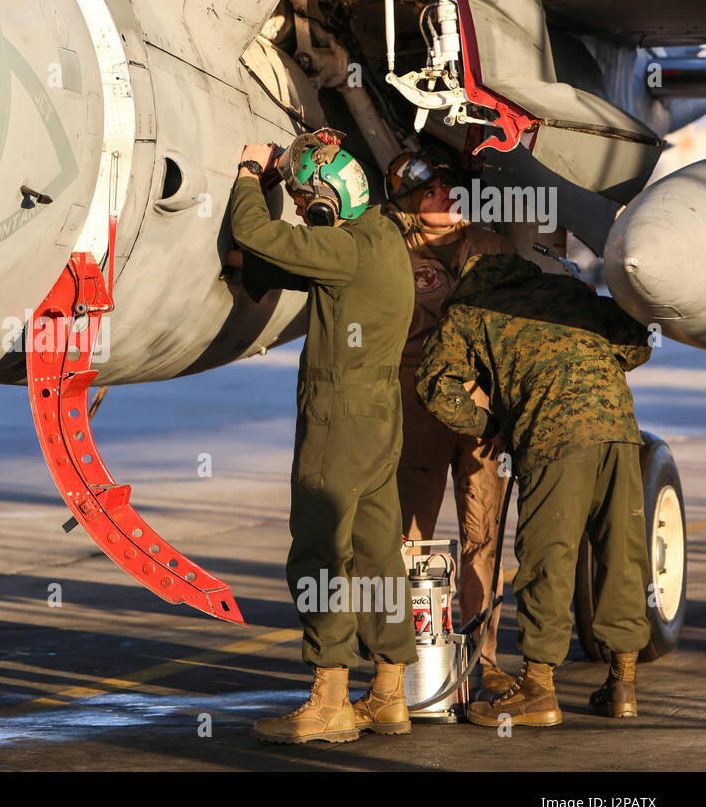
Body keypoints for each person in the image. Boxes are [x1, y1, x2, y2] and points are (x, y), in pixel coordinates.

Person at [228, 129, 417, 744]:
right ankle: (389, 694)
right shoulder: (383, 237)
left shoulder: (342, 249)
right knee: (377, 551)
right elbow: (312, 270)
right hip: (380, 413)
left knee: (319, 551)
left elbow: (257, 233)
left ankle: (329, 698)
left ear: (322, 203)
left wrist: (248, 177)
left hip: (338, 413)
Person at [415, 253, 652, 726]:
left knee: (549, 557)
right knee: (622, 553)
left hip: (554, 436)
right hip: (620, 430)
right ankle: (623, 683)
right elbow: (635, 343)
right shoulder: (568, 294)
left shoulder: (468, 311)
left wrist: (488, 423)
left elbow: (434, 385)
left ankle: (538, 690)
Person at [382, 152, 517, 693]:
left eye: (451, 186)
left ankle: (483, 659)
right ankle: (401, 665)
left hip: (482, 406)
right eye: (433, 189)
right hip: (416, 400)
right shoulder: (389, 250)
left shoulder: (491, 247)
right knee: (407, 538)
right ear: (412, 202)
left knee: (481, 538)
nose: (446, 195)